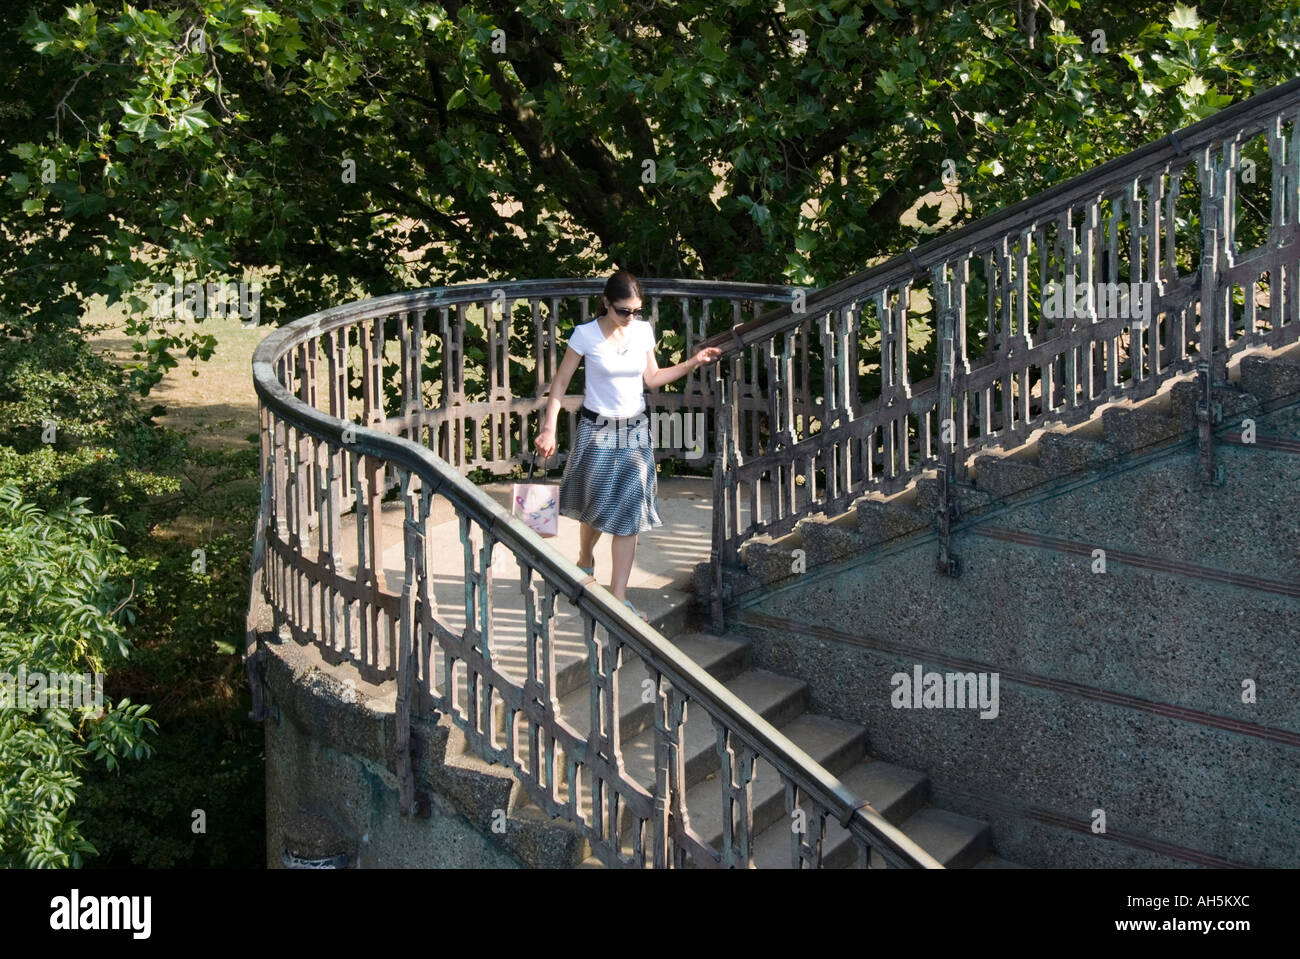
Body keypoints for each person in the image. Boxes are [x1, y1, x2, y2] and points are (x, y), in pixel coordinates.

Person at [533, 271, 721, 621]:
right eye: (624, 310)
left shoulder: (642, 331)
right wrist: (549, 429)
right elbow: (558, 386)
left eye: (637, 310)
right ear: (606, 304)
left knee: (629, 516)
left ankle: (617, 598)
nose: (631, 317)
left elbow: (652, 379)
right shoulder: (585, 335)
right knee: (595, 511)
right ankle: (586, 556)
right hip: (596, 431)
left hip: (635, 431)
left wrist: (693, 362)